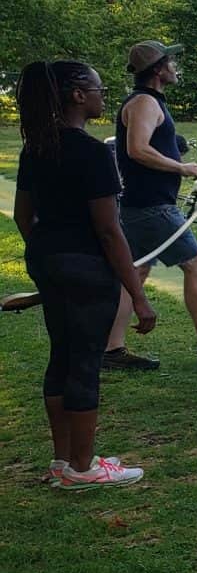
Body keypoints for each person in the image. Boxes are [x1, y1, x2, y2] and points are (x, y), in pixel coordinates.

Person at [14, 61, 157, 489]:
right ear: (78, 94)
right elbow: (109, 231)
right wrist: (139, 296)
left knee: (61, 356)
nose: (102, 95)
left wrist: (50, 254)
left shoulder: (36, 147)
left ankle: (63, 461)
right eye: (97, 88)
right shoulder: (94, 153)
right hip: (87, 269)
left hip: (48, 261)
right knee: (85, 363)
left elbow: (25, 216)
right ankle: (82, 468)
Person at [104, 40, 197, 367]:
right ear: (158, 69)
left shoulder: (147, 100)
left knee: (135, 272)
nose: (176, 67)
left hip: (141, 205)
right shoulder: (144, 102)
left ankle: (111, 350)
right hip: (151, 208)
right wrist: (181, 167)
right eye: (171, 62)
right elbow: (137, 149)